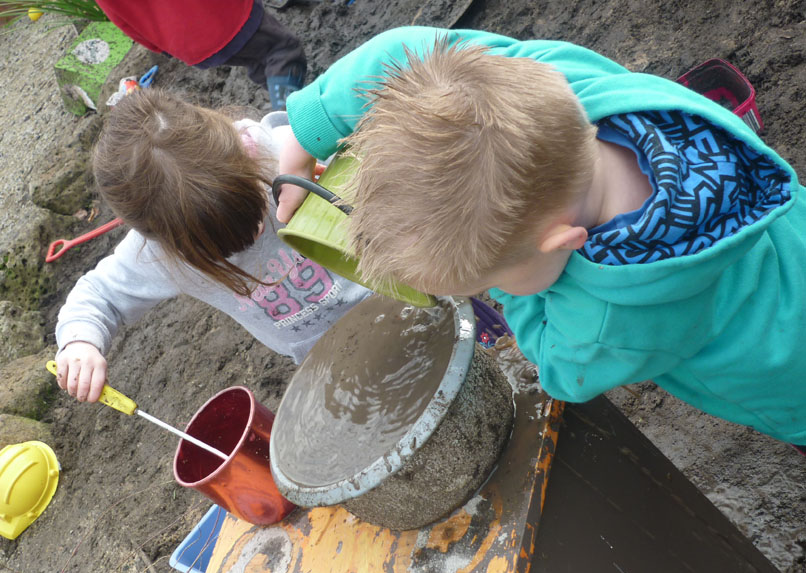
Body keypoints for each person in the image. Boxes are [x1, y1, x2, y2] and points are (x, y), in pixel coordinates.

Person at [275, 26, 806, 448]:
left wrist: (509, 292)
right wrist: (307, 130)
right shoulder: (553, 85)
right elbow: (400, 50)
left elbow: (561, 371)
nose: (488, 291)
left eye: (486, 283)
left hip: (782, 375)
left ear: (561, 242)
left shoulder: (611, 319)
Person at [55, 88, 370, 402]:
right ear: (168, 242)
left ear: (244, 157)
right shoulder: (158, 255)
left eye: (255, 209)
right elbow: (99, 295)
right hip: (323, 356)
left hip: (382, 290)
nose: (259, 232)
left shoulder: (279, 151)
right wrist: (79, 343)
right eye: (222, 248)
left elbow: (371, 146)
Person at [94, 0, 306, 110]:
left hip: (184, 41)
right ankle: (292, 118)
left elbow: (121, 20)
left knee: (259, 59)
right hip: (216, 13)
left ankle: (286, 100)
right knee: (280, 50)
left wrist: (162, 46)